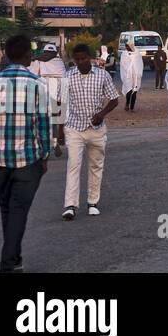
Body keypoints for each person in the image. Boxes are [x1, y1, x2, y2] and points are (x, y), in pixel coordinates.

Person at [0, 35, 51, 272]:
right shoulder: (37, 84)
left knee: (7, 208)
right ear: (28, 55)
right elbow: (43, 125)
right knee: (18, 210)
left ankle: (15, 259)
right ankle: (8, 264)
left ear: (7, 54)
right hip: (27, 159)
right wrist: (45, 154)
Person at [61, 43, 120, 221]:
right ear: (74, 60)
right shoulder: (68, 76)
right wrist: (58, 133)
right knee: (73, 165)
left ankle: (92, 202)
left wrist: (101, 114)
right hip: (74, 128)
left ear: (91, 57)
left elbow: (114, 99)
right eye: (77, 59)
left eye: (84, 58)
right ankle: (70, 205)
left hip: (96, 130)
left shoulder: (102, 75)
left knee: (96, 166)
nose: (80, 62)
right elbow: (62, 104)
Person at [34, 43, 66, 158]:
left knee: (41, 121)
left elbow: (34, 75)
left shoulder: (39, 61)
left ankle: (45, 146)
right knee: (54, 121)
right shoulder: (60, 62)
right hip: (56, 94)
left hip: (44, 93)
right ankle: (55, 142)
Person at [119, 39, 143, 112]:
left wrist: (138, 72)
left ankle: (132, 107)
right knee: (129, 90)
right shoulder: (124, 54)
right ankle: (127, 103)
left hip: (136, 76)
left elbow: (140, 63)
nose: (126, 48)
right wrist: (128, 70)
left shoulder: (137, 53)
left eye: (127, 46)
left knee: (134, 91)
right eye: (126, 46)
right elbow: (123, 64)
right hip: (128, 76)